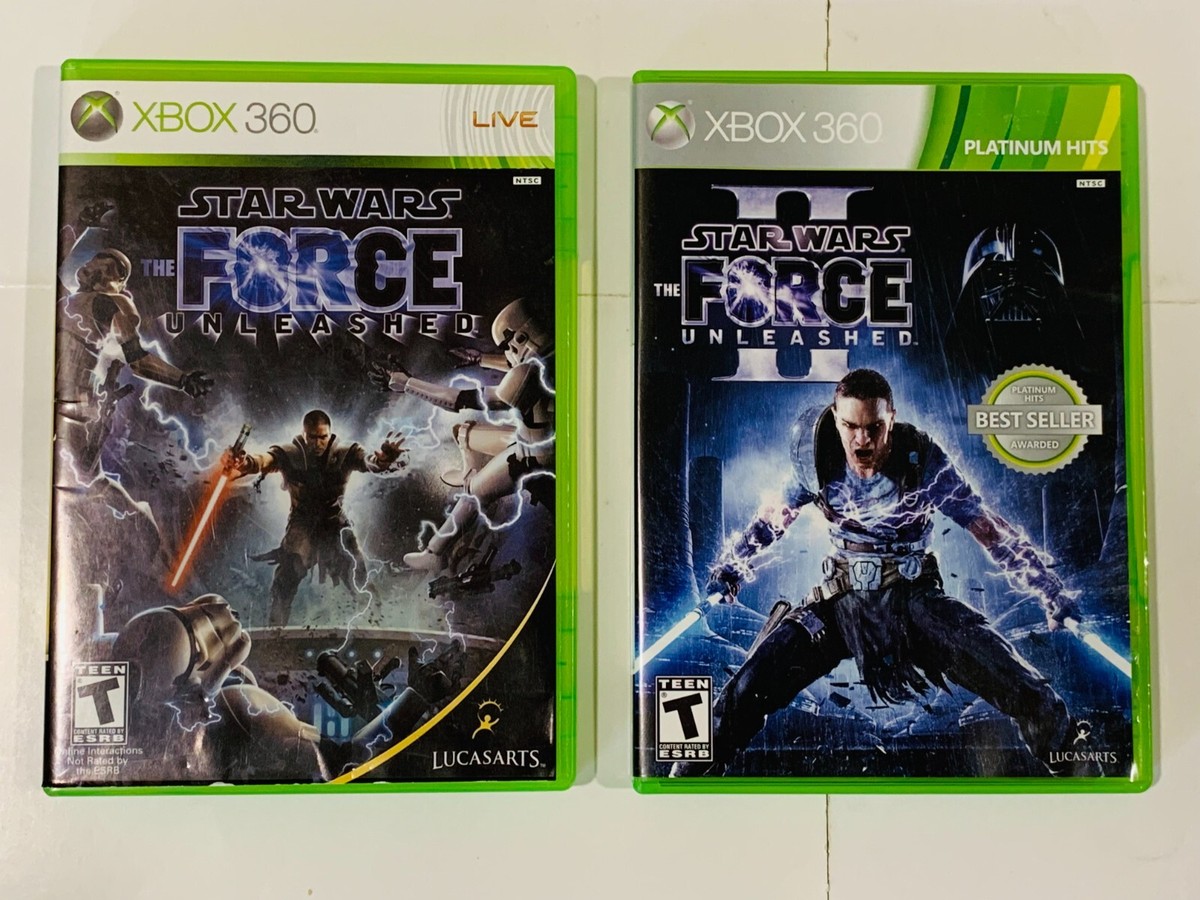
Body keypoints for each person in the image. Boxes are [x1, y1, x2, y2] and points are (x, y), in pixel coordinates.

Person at [676, 368, 1075, 775]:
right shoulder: (815, 457)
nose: (862, 440)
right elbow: (773, 519)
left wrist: (1050, 591)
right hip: (839, 604)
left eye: (874, 427)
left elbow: (986, 527)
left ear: (891, 419)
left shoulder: (922, 459)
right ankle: (687, 772)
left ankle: (1073, 759)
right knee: (750, 684)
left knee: (1008, 671)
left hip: (912, 601)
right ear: (836, 419)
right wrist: (731, 568)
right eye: (851, 427)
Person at [370, 298, 555, 572]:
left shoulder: (529, 373)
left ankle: (435, 552)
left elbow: (458, 399)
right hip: (534, 442)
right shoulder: (555, 357)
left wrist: (408, 384)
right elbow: (516, 365)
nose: (508, 353)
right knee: (465, 432)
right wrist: (480, 359)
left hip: (531, 458)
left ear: (521, 337)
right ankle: (472, 471)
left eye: (508, 345)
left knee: (474, 493)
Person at [231, 410, 405, 626]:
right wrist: (245, 462)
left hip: (335, 525)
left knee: (359, 577)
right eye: (312, 437)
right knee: (284, 582)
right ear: (304, 434)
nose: (317, 443)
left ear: (329, 434)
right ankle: (276, 632)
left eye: (322, 437)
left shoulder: (345, 453)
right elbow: (265, 460)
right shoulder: (290, 453)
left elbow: (369, 462)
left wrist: (383, 459)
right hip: (301, 527)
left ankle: (378, 625)